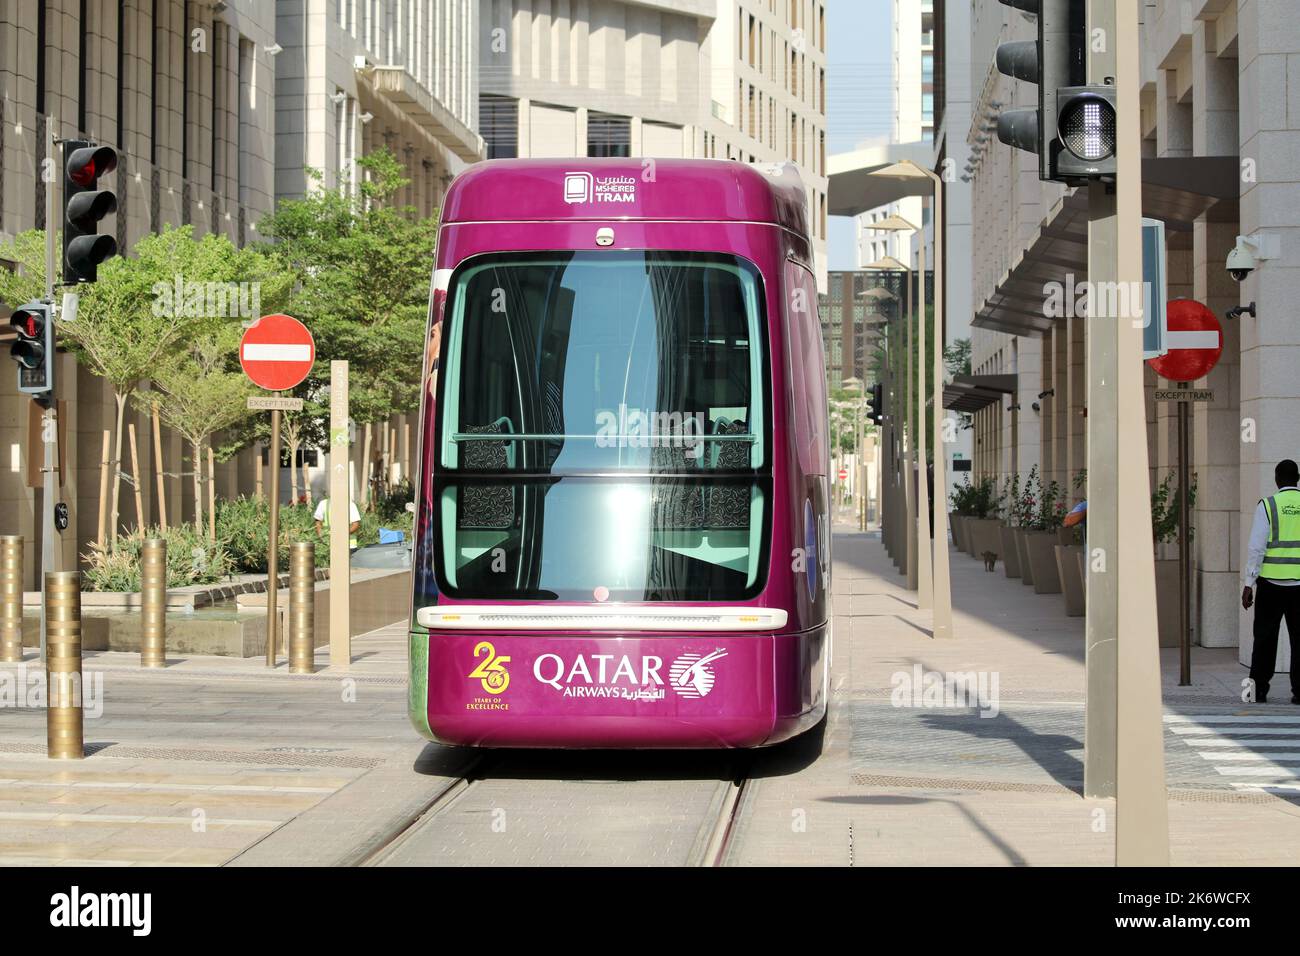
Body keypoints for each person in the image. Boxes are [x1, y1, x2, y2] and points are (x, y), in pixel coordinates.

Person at [1241, 459, 1300, 704]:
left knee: (1264, 639)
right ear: (1297, 478)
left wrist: (1248, 583)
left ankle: (1259, 691)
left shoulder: (1268, 505)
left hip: (1271, 585)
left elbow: (1257, 548)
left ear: (1277, 479)